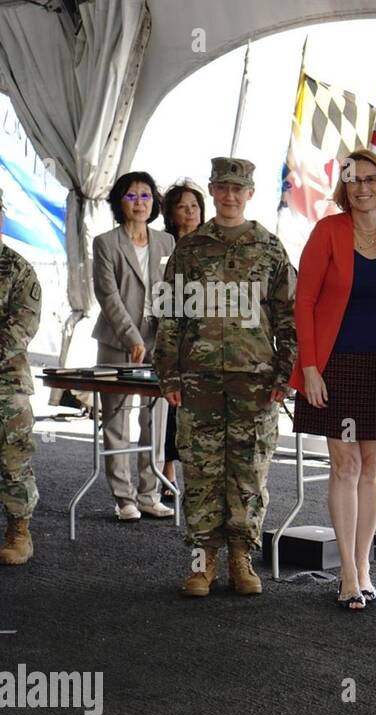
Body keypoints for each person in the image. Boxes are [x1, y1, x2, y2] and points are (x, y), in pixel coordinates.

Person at [154, 157, 297, 598]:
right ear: (212, 191)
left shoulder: (269, 247)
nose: (230, 195)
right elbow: (171, 314)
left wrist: (285, 372)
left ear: (250, 193)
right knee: (200, 471)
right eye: (222, 187)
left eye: (238, 188)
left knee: (248, 471)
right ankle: (202, 560)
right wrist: (169, 375)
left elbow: (289, 317)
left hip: (254, 380)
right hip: (198, 381)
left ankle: (241, 556)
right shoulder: (189, 249)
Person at [291, 149, 376, 610]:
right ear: (343, 186)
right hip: (335, 365)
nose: (362, 187)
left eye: (370, 179)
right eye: (353, 180)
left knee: (371, 468)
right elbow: (303, 302)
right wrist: (309, 368)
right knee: (344, 467)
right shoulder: (327, 231)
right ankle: (346, 572)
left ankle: (364, 567)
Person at [91, 171, 176, 521]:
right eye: (131, 196)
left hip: (159, 342)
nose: (139, 202)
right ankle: (123, 497)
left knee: (154, 418)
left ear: (154, 202)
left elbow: (172, 293)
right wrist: (131, 337)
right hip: (117, 341)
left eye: (145, 196)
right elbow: (107, 295)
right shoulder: (105, 243)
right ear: (119, 202)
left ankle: (149, 492)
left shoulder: (167, 243)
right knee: (116, 420)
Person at [0, 186, 42, 566]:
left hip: (5, 384)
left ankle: (19, 531)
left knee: (11, 459)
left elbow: (20, 329)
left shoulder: (17, 269)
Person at [159, 179, 207, 503]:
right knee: (168, 408)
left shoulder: (212, 246)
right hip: (166, 333)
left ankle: (193, 473)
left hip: (201, 339)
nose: (190, 213)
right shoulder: (163, 246)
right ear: (171, 214)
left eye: (195, 206)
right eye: (182, 207)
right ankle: (165, 468)